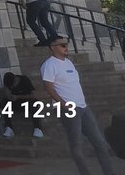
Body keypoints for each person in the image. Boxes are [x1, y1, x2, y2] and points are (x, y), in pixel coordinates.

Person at [41, 37, 118, 175]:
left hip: (82, 106)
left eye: (66, 44)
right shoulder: (49, 64)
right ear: (52, 47)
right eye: (62, 45)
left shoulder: (69, 62)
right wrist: (63, 105)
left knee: (99, 142)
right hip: (67, 108)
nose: (66, 47)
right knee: (77, 145)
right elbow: (49, 87)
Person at [0, 71, 43, 139]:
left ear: (16, 79)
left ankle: (37, 128)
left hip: (26, 102)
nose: (13, 86)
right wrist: (9, 95)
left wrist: (18, 97)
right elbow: (7, 93)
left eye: (13, 84)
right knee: (4, 102)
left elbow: (33, 95)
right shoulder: (8, 81)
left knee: (34, 103)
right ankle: (9, 128)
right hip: (16, 103)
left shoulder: (24, 80)